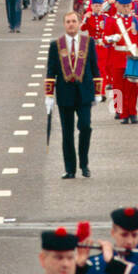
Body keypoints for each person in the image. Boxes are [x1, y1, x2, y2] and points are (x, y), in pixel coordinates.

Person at [44, 9, 103, 180]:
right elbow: (51, 71)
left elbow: (95, 67)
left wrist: (98, 91)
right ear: (64, 25)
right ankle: (70, 168)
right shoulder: (56, 45)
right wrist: (48, 95)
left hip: (84, 93)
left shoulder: (88, 42)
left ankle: (84, 164)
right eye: (68, 22)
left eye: (74, 21)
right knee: (67, 132)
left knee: (85, 127)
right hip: (65, 94)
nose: (71, 24)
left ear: (79, 24)